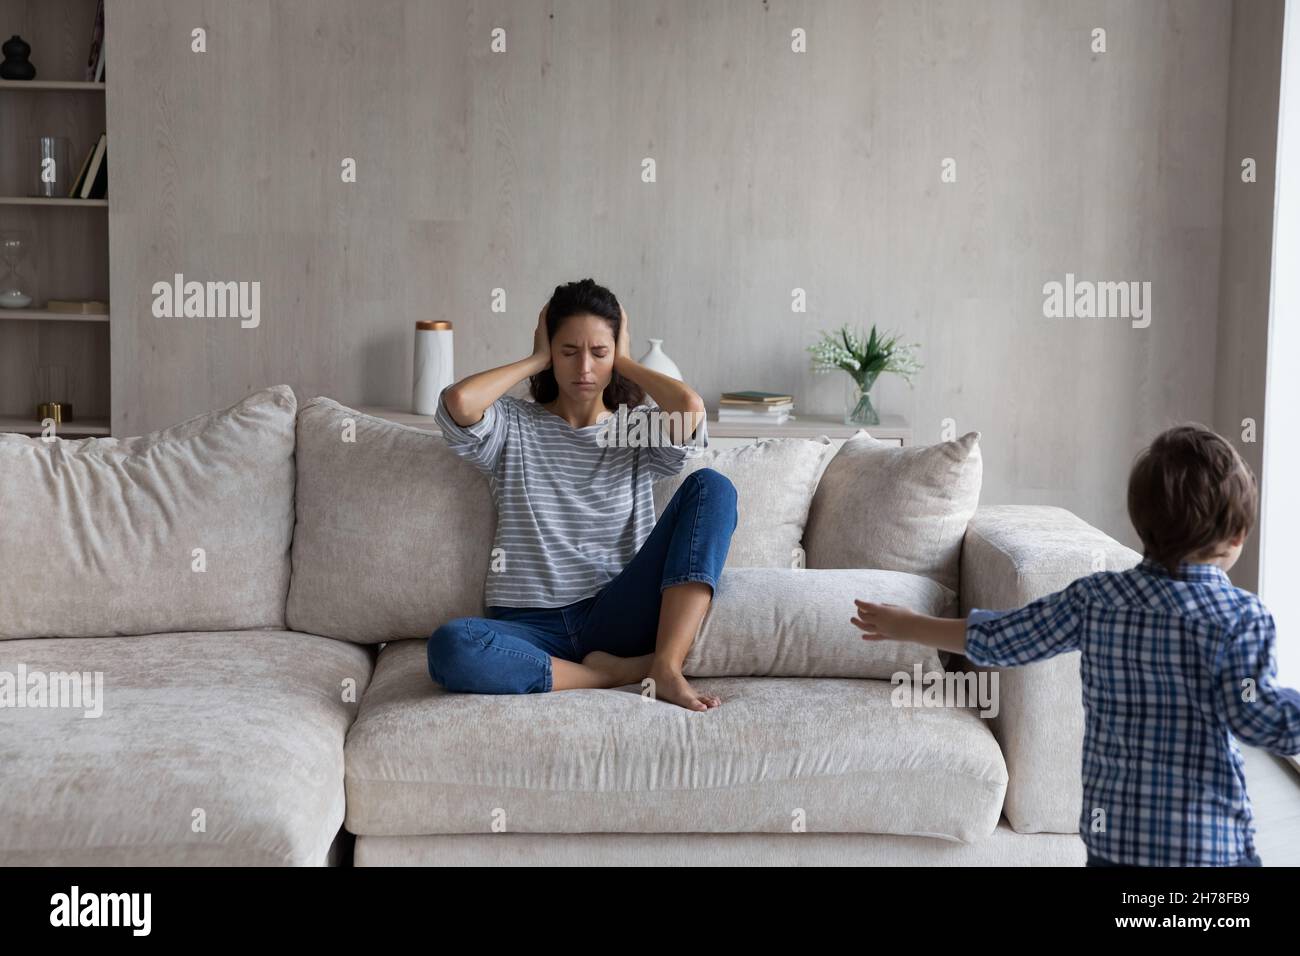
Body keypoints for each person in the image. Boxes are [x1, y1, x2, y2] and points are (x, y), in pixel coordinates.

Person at [852, 424, 1300, 866]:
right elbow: (1258, 719)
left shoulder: (1098, 599)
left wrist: (911, 625)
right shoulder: (1241, 617)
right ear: (1238, 534)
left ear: (1142, 523)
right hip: (1208, 843)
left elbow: (1004, 637)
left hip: (1116, 839)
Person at [427, 278, 738, 712]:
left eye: (599, 353)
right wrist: (535, 358)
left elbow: (689, 408)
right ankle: (612, 674)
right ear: (550, 354)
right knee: (452, 647)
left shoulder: (637, 426)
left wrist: (625, 361)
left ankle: (665, 665)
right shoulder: (512, 424)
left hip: (615, 613)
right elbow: (460, 400)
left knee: (714, 488)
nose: (584, 370)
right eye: (568, 352)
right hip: (530, 624)